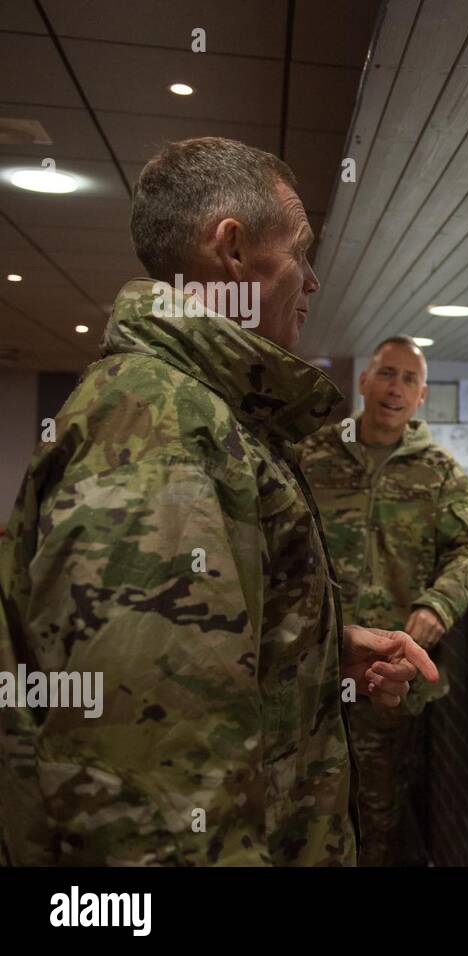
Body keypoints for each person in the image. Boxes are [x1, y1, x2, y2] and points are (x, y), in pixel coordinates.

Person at [0, 137, 436, 866]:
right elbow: (151, 806)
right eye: (301, 251)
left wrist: (316, 650)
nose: (314, 281)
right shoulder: (158, 426)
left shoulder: (205, 412)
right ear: (233, 250)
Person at [300, 336, 468, 866]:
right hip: (312, 660)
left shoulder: (439, 470)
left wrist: (437, 607)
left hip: (390, 671)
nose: (395, 388)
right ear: (364, 380)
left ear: (422, 395)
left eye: (409, 379)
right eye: (386, 373)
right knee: (305, 801)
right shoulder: (311, 455)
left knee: (378, 808)